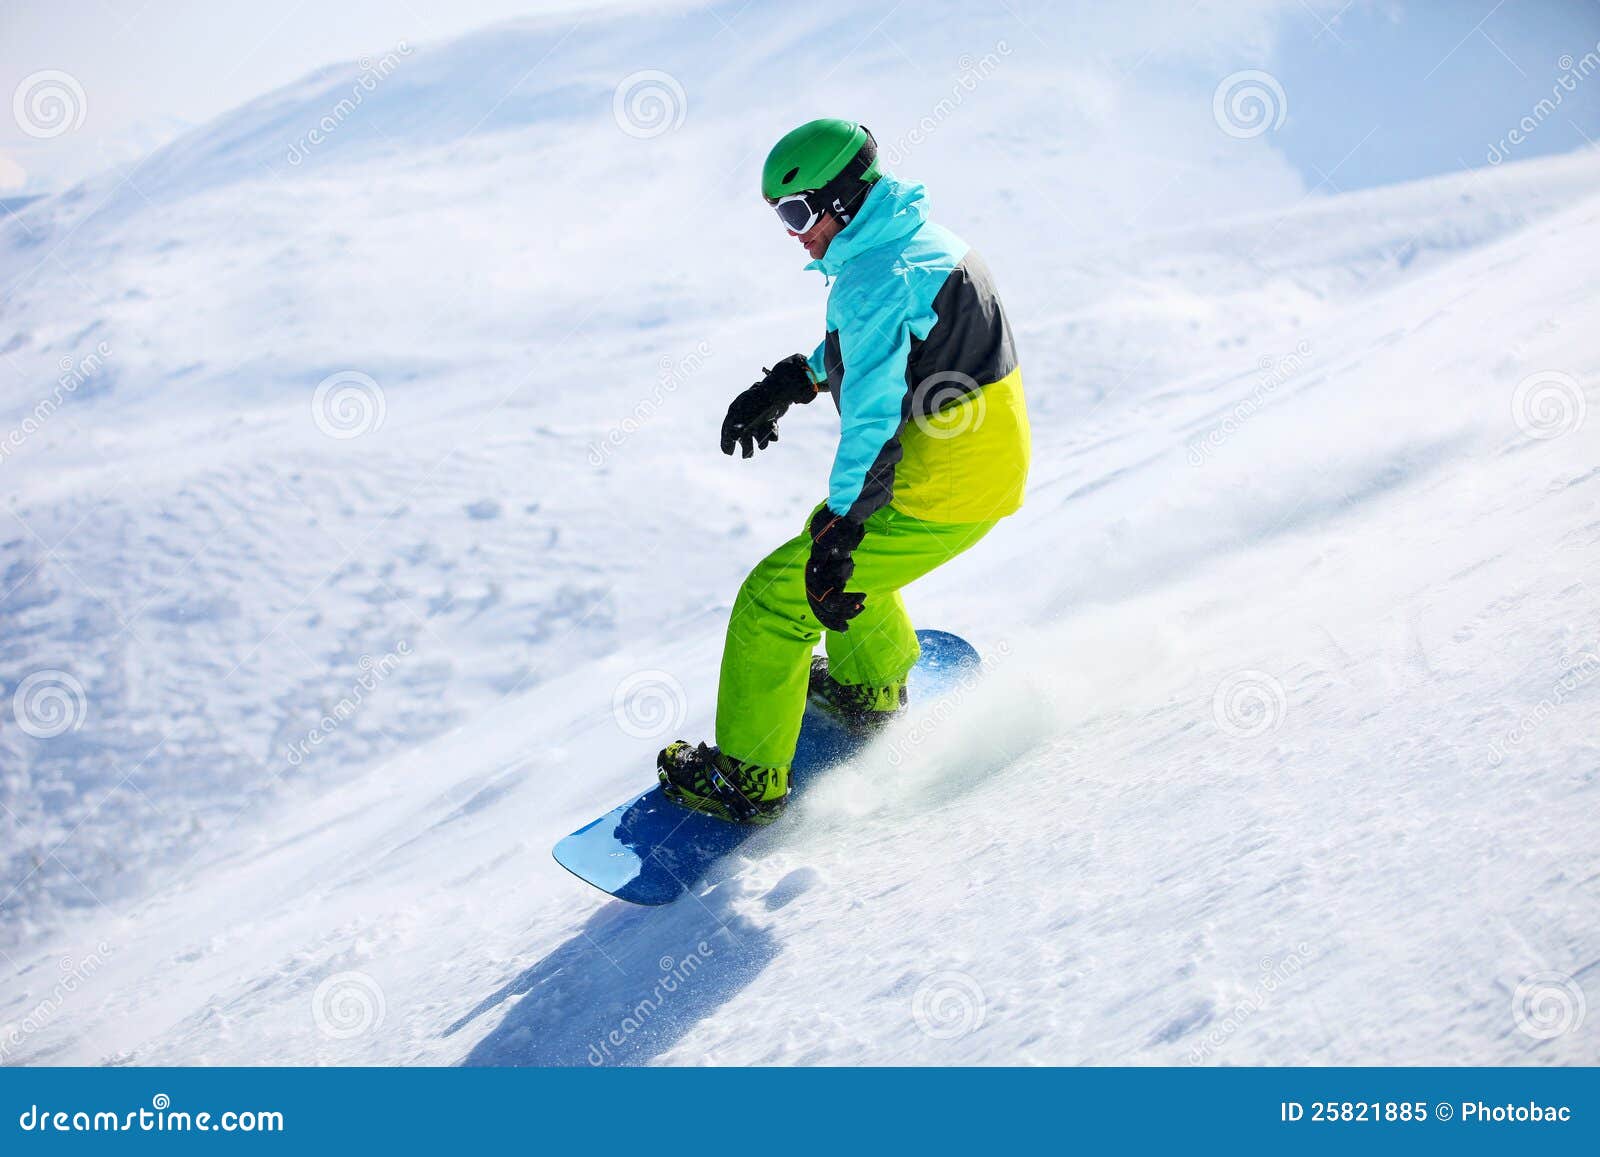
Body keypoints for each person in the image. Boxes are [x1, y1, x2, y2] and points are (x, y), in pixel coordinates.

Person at [657, 119, 1031, 824]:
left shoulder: (874, 278)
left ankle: (747, 781)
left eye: (799, 213)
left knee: (774, 598)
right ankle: (870, 683)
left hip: (947, 483)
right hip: (981, 462)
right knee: (830, 538)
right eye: (781, 216)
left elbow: (873, 423)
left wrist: (839, 533)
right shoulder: (916, 242)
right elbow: (889, 348)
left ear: (843, 199)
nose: (794, 234)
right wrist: (795, 379)